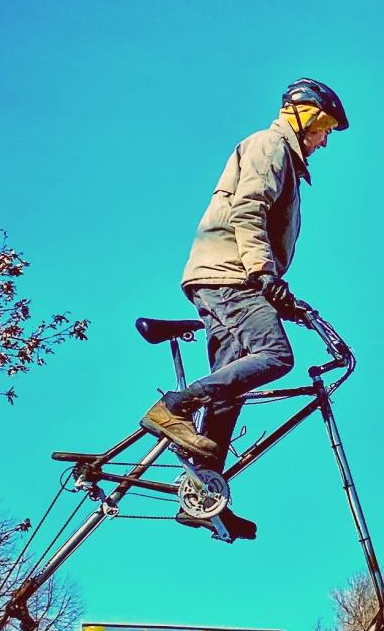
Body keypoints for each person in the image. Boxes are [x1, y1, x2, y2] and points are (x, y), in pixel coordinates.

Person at [140, 78, 349, 542]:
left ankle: (205, 492)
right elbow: (248, 211)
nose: (325, 140)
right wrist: (262, 275)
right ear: (306, 116)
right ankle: (173, 406)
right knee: (275, 356)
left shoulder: (286, 160)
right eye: (324, 128)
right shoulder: (269, 145)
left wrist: (281, 294)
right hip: (229, 275)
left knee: (231, 388)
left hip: (230, 275)